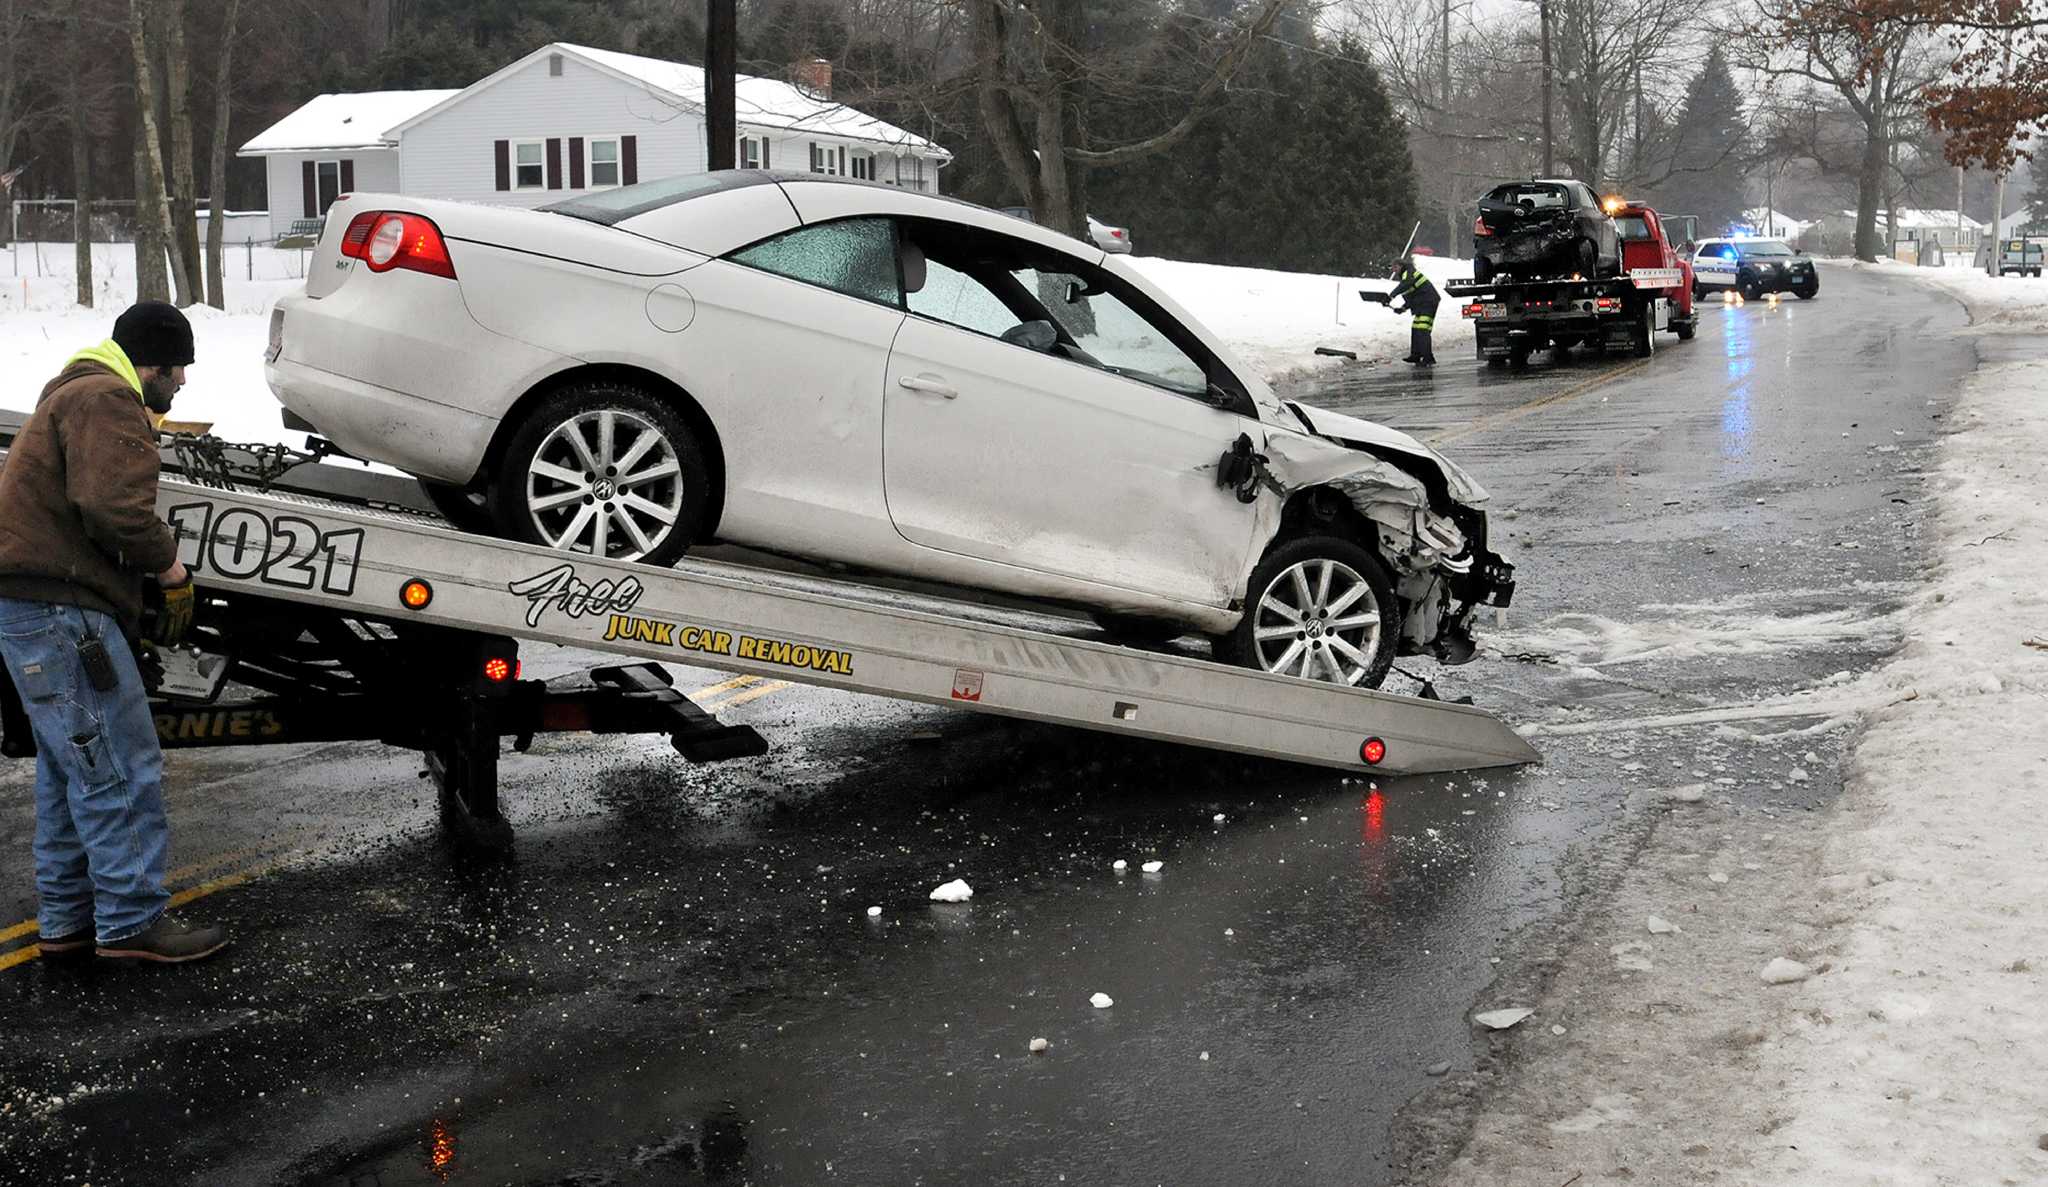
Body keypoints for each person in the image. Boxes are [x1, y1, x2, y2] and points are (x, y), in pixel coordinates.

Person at [0, 301, 228, 964]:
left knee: (72, 769)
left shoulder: (72, 393)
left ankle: (67, 922)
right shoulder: (108, 398)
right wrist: (171, 566)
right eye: (178, 365)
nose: (182, 380)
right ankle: (130, 921)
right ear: (152, 361)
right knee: (119, 764)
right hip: (62, 609)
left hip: (30, 606)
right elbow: (113, 505)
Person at [1389, 256, 1441, 367]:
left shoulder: (1408, 271)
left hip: (1428, 302)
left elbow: (1406, 284)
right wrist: (1403, 308)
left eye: (1395, 267)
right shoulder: (1405, 277)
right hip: (1422, 303)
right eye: (1392, 267)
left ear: (1401, 265)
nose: (1394, 269)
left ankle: (1428, 358)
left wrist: (1391, 295)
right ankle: (1415, 355)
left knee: (1422, 330)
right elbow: (1410, 297)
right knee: (1415, 329)